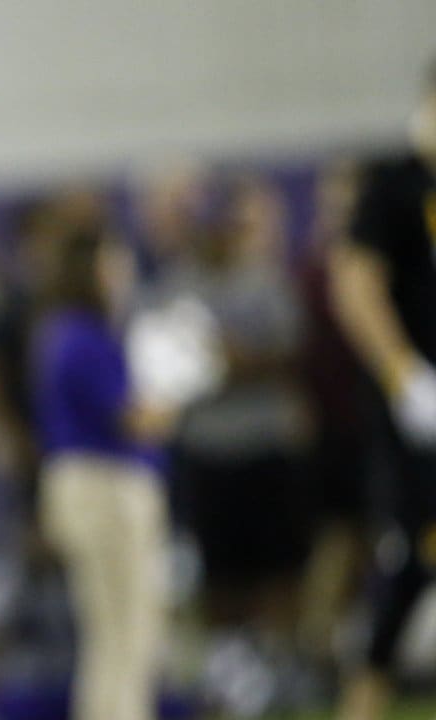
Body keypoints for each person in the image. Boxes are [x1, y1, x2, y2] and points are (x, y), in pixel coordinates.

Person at [31, 226, 177, 720]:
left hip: (84, 484)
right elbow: (135, 419)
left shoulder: (67, 331)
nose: (123, 273)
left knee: (111, 630)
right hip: (104, 485)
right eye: (114, 262)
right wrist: (181, 389)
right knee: (128, 630)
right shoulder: (83, 335)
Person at [330, 61, 436, 720]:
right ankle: (361, 706)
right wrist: (405, 376)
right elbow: (355, 285)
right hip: (418, 424)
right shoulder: (395, 187)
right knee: (410, 573)